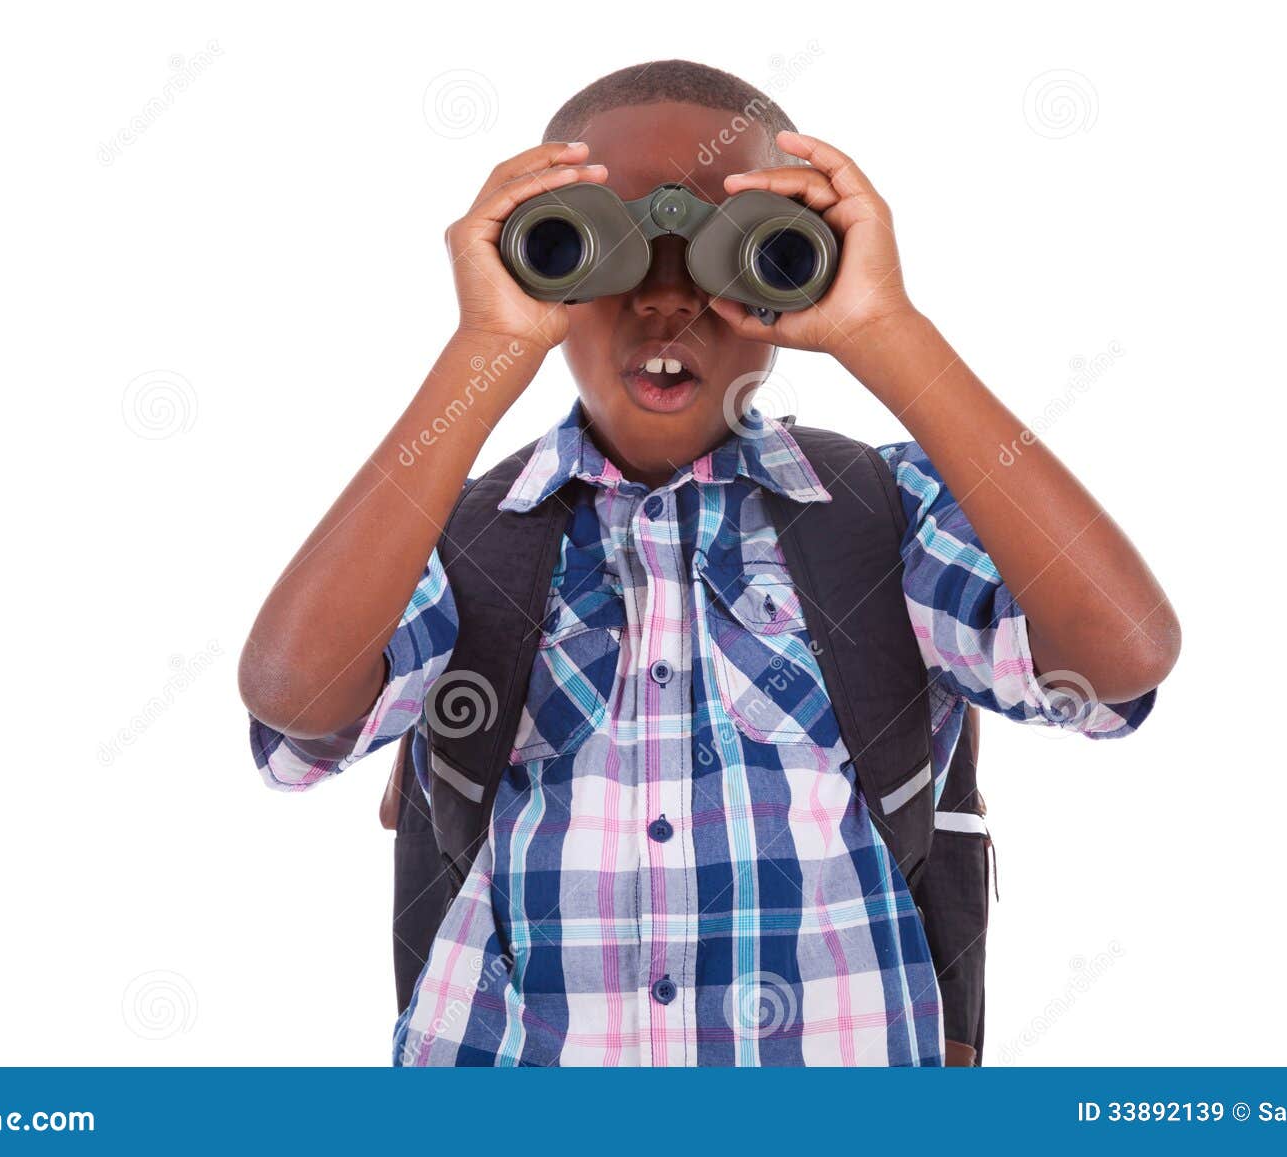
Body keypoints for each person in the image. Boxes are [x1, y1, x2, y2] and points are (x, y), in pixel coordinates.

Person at [239, 60, 1178, 1066]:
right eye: (596, 248)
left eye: (738, 255)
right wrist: (485, 348)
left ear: (804, 268)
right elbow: (301, 696)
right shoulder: (452, 533)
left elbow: (1119, 654)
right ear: (533, 258)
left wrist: (885, 331)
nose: (665, 300)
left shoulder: (882, 516)